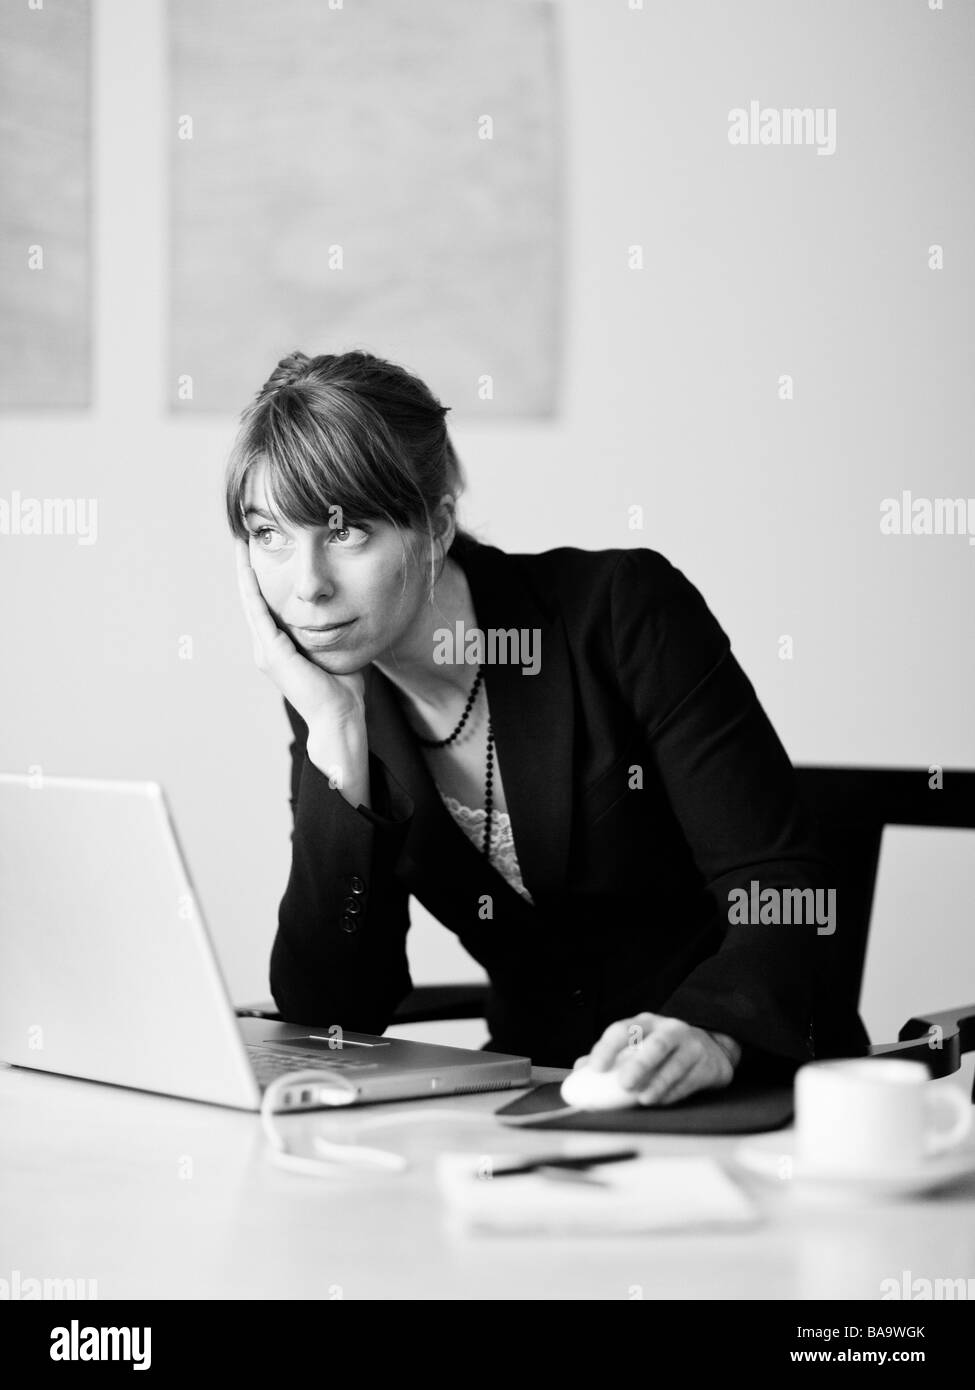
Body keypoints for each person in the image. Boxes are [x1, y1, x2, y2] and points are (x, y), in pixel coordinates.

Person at [226, 348, 835, 1106]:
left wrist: (710, 1030)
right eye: (270, 534)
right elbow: (332, 1024)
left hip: (746, 1086)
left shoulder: (618, 612)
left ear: (437, 525)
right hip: (536, 1097)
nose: (307, 584)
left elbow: (782, 886)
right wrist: (336, 751)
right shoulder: (332, 694)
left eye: (346, 533)